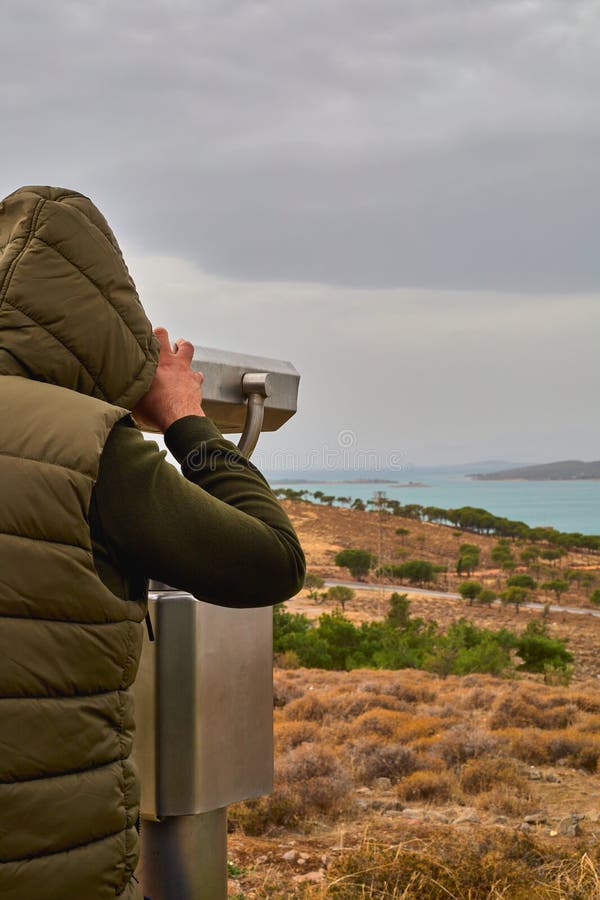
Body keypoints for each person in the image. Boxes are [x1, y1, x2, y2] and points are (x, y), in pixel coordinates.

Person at [0, 185, 305, 900]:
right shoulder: (87, 448)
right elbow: (270, 559)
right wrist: (186, 422)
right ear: (101, 316)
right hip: (50, 862)